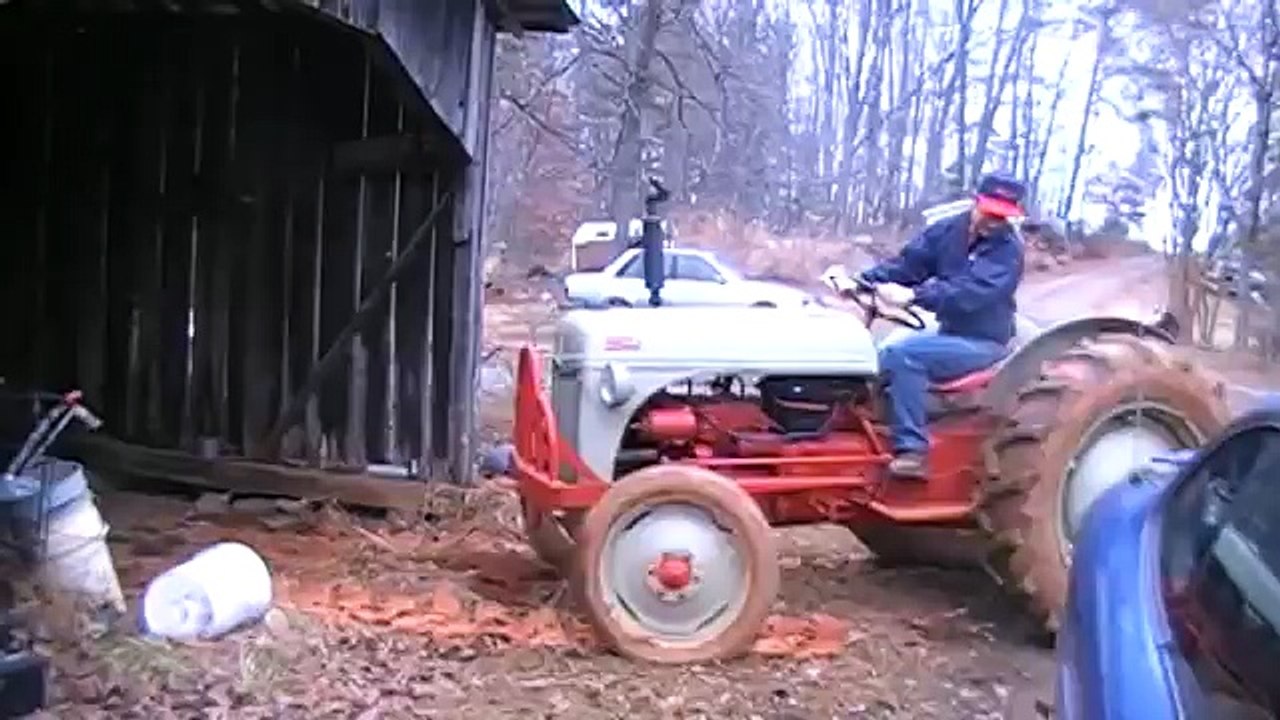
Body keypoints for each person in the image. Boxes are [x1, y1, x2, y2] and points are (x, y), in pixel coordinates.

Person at [860, 174, 1027, 479]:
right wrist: (863, 281)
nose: (994, 222)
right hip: (950, 332)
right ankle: (872, 426)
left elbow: (970, 294)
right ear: (976, 201)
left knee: (904, 356)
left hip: (984, 342)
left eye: (1002, 216)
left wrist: (914, 295)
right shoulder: (948, 230)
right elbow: (908, 265)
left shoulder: (1008, 249)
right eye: (990, 212)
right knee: (876, 354)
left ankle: (912, 451)